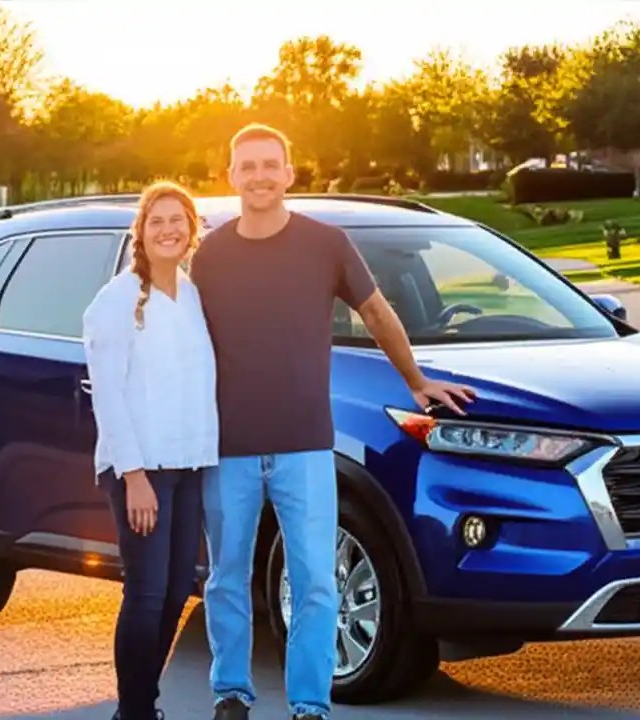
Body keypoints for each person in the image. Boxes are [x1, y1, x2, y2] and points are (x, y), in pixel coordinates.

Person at [189, 123, 476, 720]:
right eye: (249, 166)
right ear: (232, 175)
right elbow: (180, 340)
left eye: (272, 164)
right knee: (226, 578)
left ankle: (310, 704)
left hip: (305, 446)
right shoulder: (210, 255)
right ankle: (231, 693)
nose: (261, 175)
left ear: (290, 172)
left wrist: (417, 382)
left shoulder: (326, 243)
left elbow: (376, 310)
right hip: (228, 447)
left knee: (316, 581)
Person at [81, 180, 218, 720]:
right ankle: (136, 711)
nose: (168, 230)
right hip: (141, 470)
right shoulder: (115, 300)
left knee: (177, 589)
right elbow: (108, 395)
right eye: (156, 221)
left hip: (189, 466)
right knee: (144, 592)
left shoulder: (192, 294)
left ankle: (140, 706)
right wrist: (133, 473)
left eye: (177, 220)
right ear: (140, 231)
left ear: (191, 230)